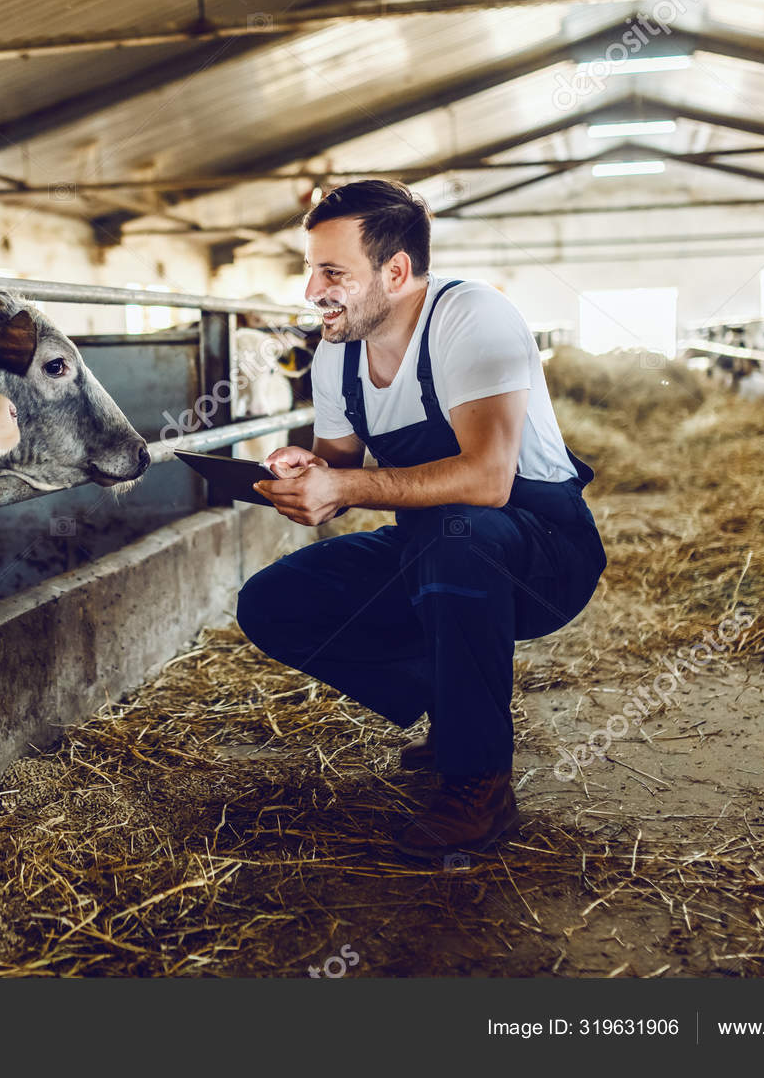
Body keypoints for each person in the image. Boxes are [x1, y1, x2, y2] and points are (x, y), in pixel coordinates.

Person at [236, 179, 607, 859]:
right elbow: (338, 466)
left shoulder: (472, 317)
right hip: (432, 554)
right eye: (311, 269)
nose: (314, 291)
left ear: (396, 271)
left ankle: (480, 781)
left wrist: (345, 482)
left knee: (454, 536)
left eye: (333, 272)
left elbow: (489, 479)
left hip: (544, 552)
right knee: (272, 602)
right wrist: (306, 474)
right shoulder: (338, 350)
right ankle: (461, 698)